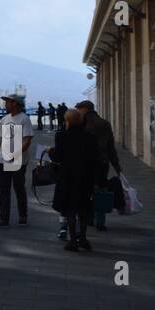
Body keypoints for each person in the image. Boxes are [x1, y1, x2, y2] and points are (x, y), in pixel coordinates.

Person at [50, 107, 97, 251]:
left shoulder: (62, 136)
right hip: (85, 177)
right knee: (83, 208)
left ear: (67, 121)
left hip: (67, 177)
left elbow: (58, 157)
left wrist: (50, 152)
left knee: (69, 208)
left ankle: (72, 241)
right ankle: (83, 238)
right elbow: (95, 159)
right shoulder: (90, 137)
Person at [77, 100, 122, 231]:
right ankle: (100, 221)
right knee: (101, 191)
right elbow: (110, 147)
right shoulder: (105, 123)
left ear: (85, 109)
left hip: (85, 164)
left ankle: (89, 219)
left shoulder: (82, 124)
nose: (78, 111)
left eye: (79, 108)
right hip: (102, 163)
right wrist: (117, 166)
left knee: (86, 192)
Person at [0, 94, 33, 225]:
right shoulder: (4, 119)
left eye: (7, 102)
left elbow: (27, 140)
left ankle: (23, 215)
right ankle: (3, 217)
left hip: (18, 161)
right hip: (4, 159)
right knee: (4, 189)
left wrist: (15, 154)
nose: (5, 105)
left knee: (19, 188)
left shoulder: (24, 119)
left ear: (15, 104)